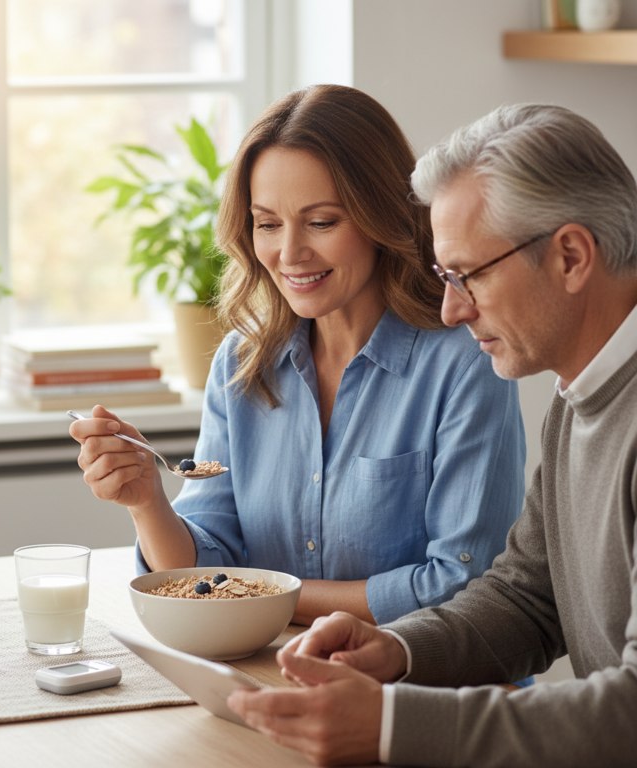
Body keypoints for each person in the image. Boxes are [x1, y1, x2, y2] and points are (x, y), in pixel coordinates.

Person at [227, 102, 637, 768]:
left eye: (468, 275)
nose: (451, 308)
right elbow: (528, 598)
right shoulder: (581, 397)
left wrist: (391, 725)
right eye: (447, 278)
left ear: (569, 256)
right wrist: (397, 649)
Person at [70, 84, 526, 628]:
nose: (289, 254)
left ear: (383, 215)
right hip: (273, 674)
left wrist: (267, 594)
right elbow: (204, 571)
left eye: (322, 222)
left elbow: (461, 586)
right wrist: (146, 500)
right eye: (267, 223)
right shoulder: (243, 363)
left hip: (425, 690)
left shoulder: (465, 363)